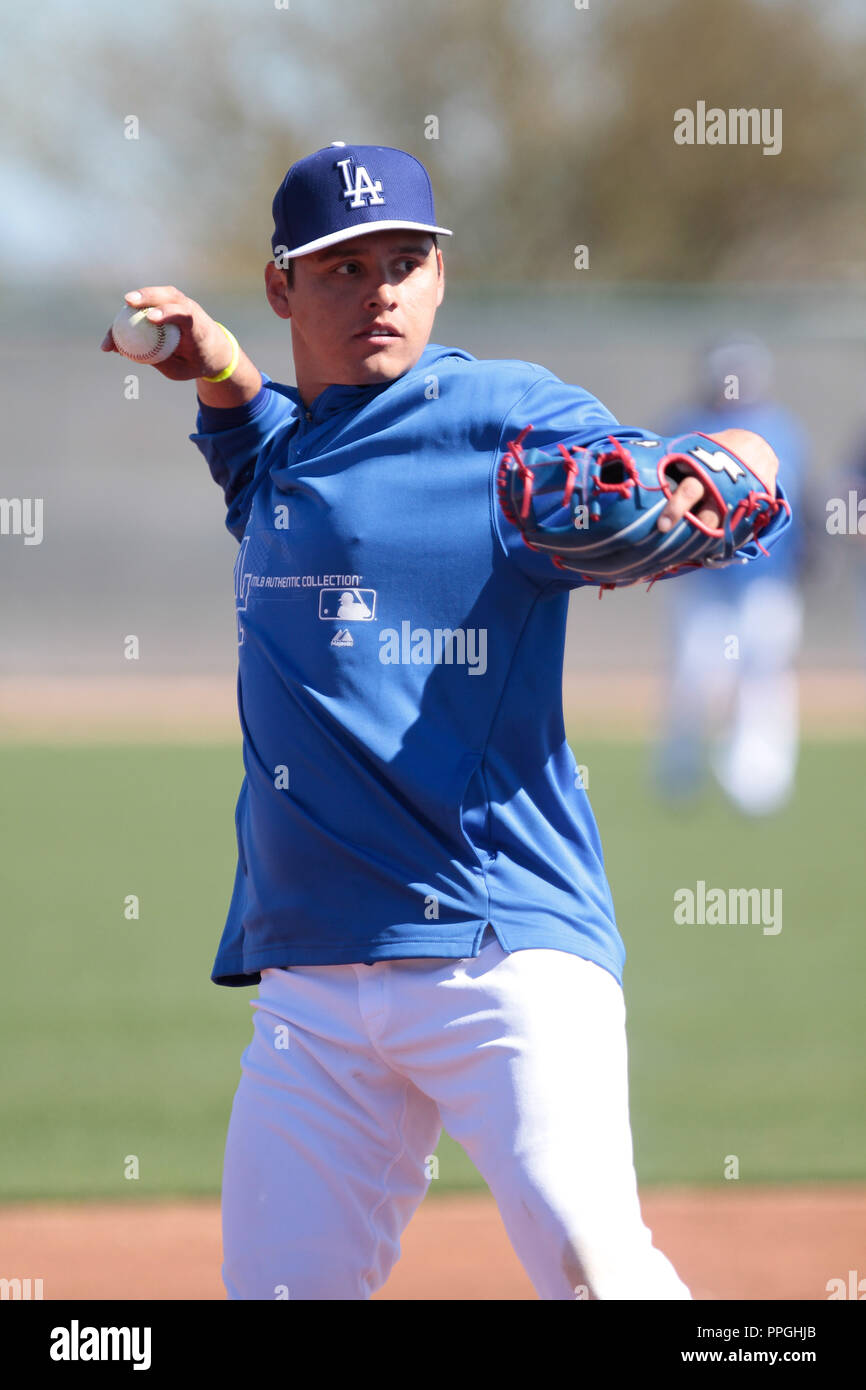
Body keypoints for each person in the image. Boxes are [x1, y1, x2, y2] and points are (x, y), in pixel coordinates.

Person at [100, 143, 790, 1300]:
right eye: (342, 266)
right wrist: (213, 356)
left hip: (499, 950)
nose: (379, 291)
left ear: (438, 276)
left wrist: (728, 467)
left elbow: (726, 460)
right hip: (311, 983)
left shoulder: (501, 415)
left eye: (406, 261)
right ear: (282, 289)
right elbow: (251, 432)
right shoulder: (276, 457)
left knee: (596, 1271)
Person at [653, 338, 807, 816]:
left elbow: (798, 505)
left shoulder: (780, 429)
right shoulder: (686, 429)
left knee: (765, 678)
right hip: (703, 582)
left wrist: (806, 564)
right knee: (694, 675)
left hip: (767, 580)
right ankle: (679, 771)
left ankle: (758, 782)